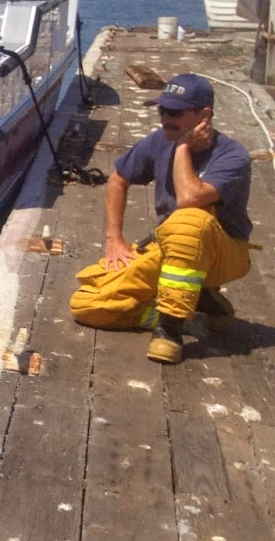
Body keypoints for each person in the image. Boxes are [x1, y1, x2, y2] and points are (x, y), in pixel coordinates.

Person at [69, 72, 252, 364]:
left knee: (189, 220)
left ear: (205, 115)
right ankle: (195, 305)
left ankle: (170, 328)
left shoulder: (233, 156)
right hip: (172, 251)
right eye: (162, 110)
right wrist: (114, 240)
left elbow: (189, 198)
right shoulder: (158, 141)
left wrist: (182, 149)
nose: (165, 118)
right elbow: (117, 180)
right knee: (87, 303)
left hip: (224, 253)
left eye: (175, 112)